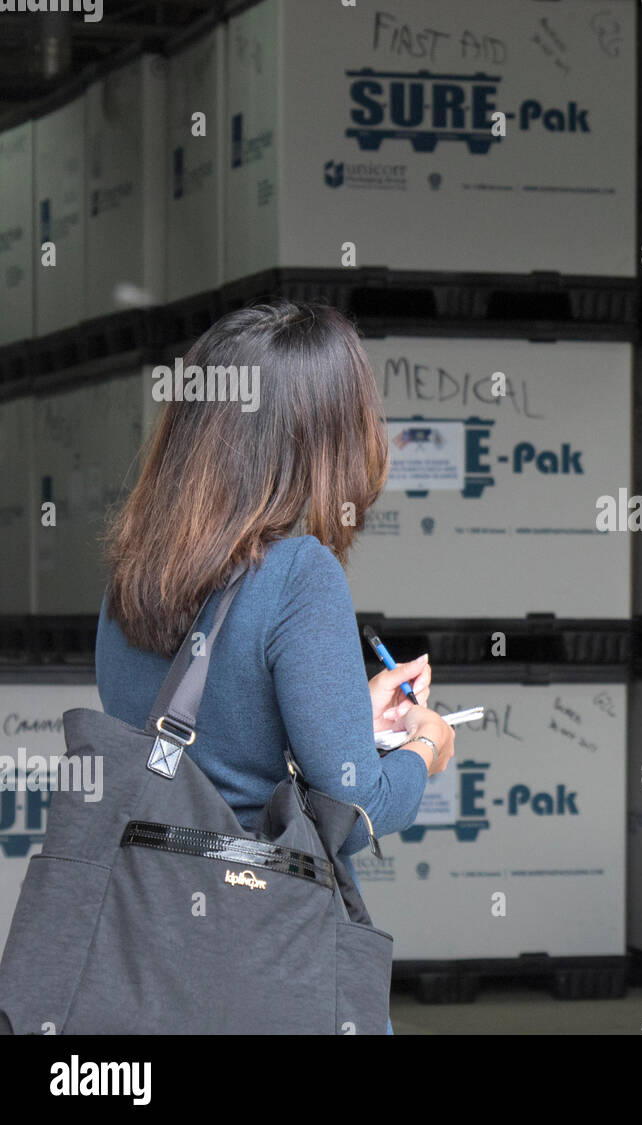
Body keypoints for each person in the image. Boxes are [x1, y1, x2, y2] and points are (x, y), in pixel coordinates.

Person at [96, 299, 455, 1034]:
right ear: (322, 438)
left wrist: (348, 705)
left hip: (150, 961)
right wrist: (426, 747)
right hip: (267, 960)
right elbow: (352, 815)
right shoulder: (299, 574)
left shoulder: (130, 574)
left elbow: (212, 735)